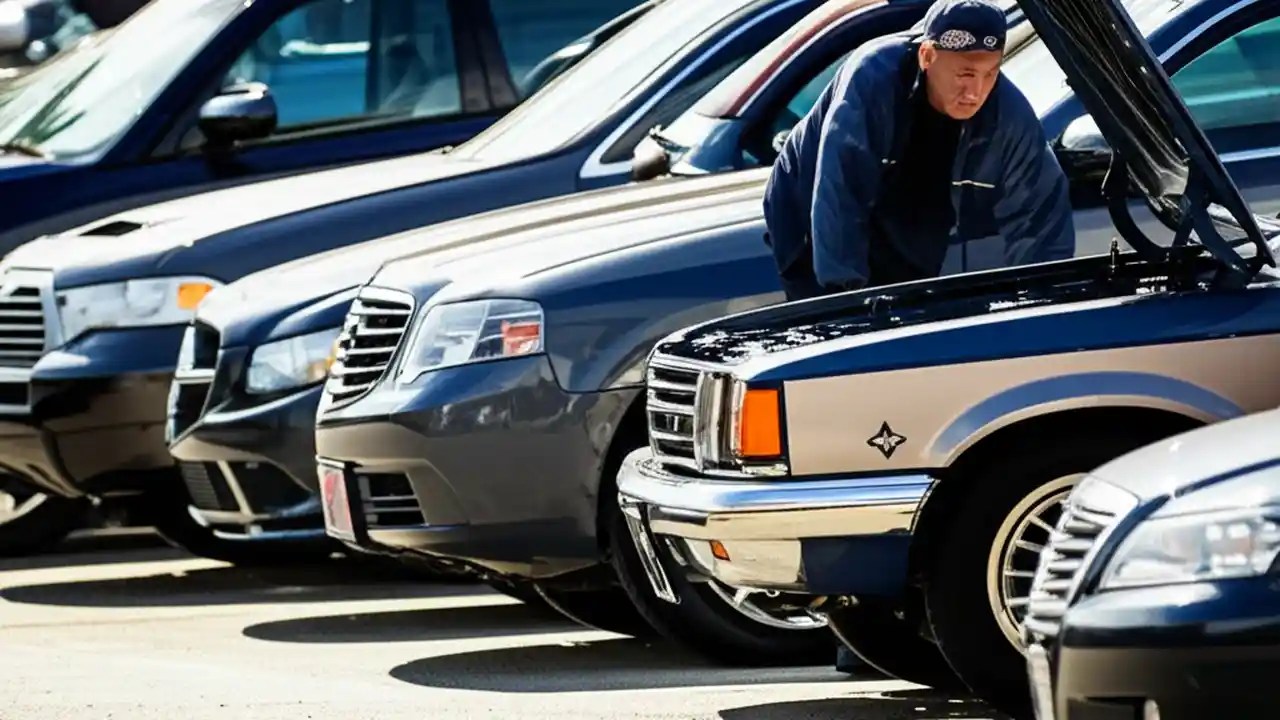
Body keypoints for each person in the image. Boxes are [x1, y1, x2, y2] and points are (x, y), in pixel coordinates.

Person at [762, 0, 1075, 302]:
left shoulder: (1007, 110)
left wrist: (1041, 295)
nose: (976, 91)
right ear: (927, 56)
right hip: (807, 200)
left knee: (911, 307)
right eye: (965, 75)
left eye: (990, 73)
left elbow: (1041, 209)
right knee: (828, 313)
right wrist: (847, 298)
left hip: (908, 205)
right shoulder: (873, 77)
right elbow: (840, 189)